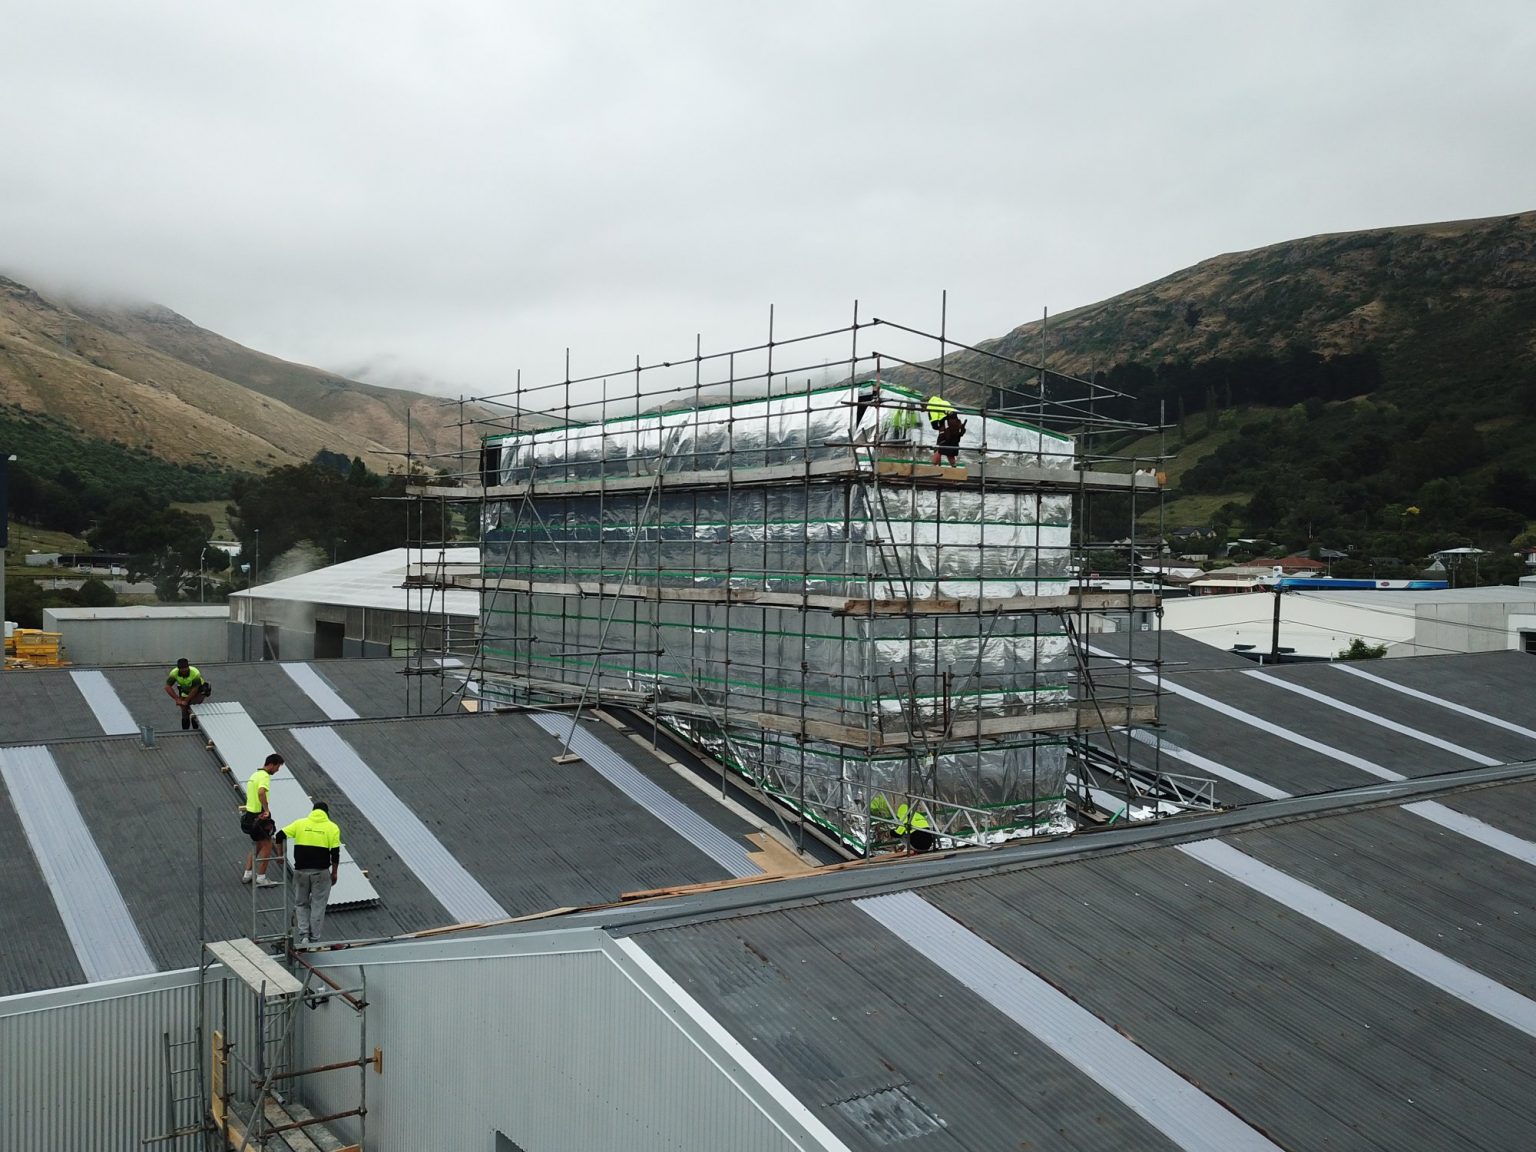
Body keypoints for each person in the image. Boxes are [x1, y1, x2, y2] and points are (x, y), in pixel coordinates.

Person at [276, 801, 342, 945]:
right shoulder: (332, 827)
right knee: (318, 905)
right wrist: (334, 873)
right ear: (326, 813)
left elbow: (279, 835)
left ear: (313, 811)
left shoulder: (300, 824)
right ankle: (314, 939)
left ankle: (304, 935)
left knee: (301, 904)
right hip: (321, 873)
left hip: (300, 872)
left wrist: (280, 855)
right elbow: (335, 854)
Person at [241, 754, 284, 886]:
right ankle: (261, 877)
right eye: (277, 767)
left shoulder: (254, 775)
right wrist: (266, 809)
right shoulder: (264, 776)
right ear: (271, 764)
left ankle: (247, 874)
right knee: (267, 845)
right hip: (259, 816)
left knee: (257, 844)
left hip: (249, 816)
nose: (277, 770)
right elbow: (261, 792)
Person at [164, 658, 213, 731]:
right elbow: (167, 687)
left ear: (188, 667)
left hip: (199, 691)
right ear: (178, 669)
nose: (184, 671)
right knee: (184, 711)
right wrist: (177, 699)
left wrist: (186, 701)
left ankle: (196, 729)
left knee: (193, 708)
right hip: (185, 691)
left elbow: (195, 689)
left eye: (186, 669)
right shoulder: (174, 673)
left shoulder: (195, 673)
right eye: (182, 670)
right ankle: (185, 731)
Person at [926, 394, 967, 465]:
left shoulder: (931, 406)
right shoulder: (945, 402)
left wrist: (938, 427)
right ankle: (954, 469)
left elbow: (934, 423)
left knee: (939, 449)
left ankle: (932, 467)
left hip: (946, 429)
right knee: (950, 451)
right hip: (955, 429)